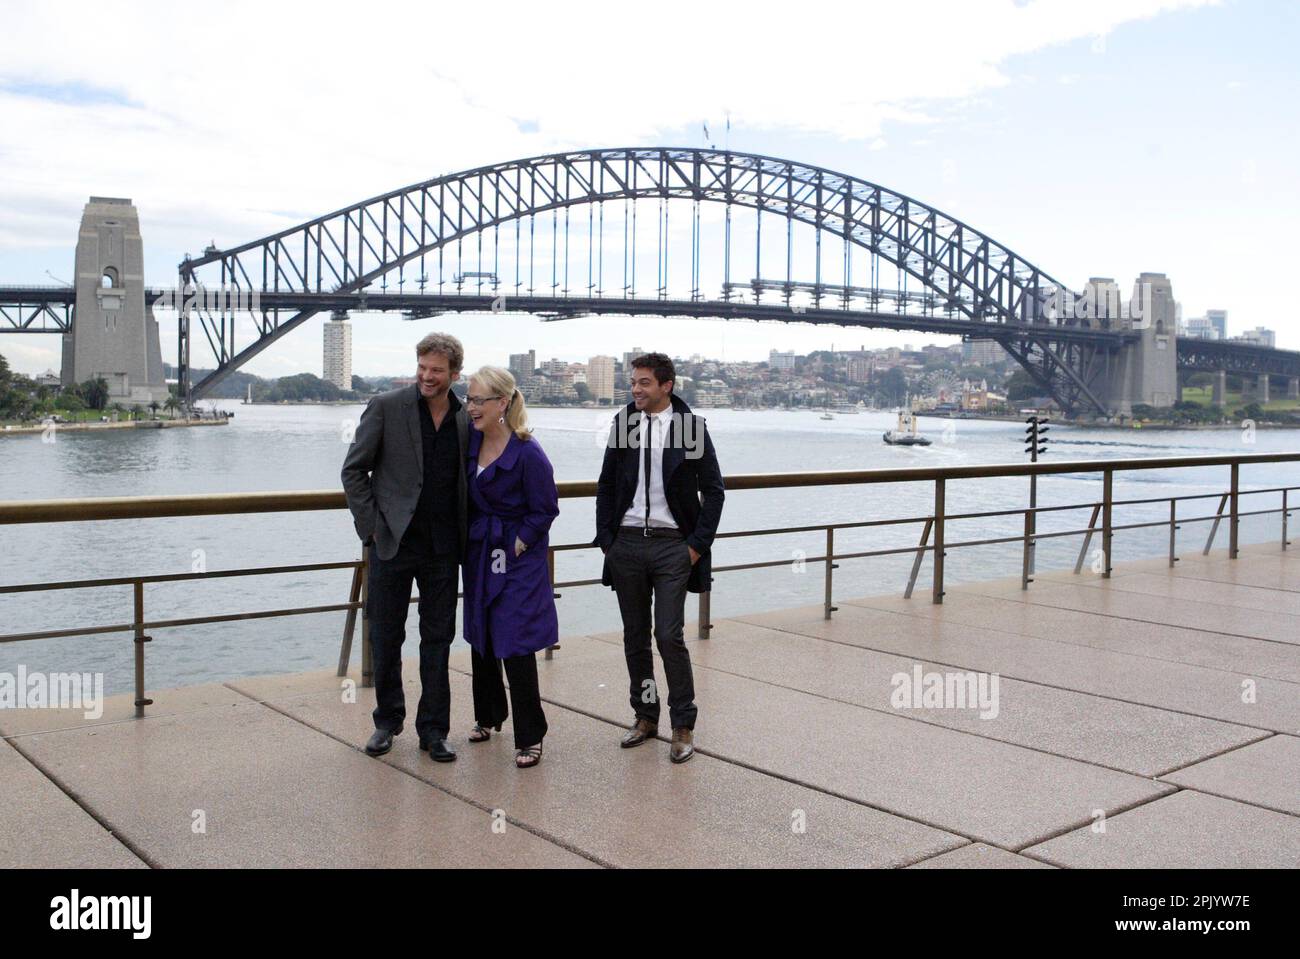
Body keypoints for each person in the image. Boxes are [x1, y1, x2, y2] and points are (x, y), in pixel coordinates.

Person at [340, 333, 467, 763]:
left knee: (438, 639)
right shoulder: (386, 407)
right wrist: (371, 530)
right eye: (422, 368)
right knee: (386, 634)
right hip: (391, 542)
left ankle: (434, 730)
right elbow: (354, 471)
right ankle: (386, 721)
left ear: (454, 374)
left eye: (436, 371)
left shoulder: (466, 416)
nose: (427, 377)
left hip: (444, 548)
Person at [594, 352, 725, 764]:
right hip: (627, 544)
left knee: (668, 635)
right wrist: (607, 540)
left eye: (644, 382)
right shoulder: (625, 424)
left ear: (666, 385)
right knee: (635, 636)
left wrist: (696, 546)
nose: (635, 389)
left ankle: (682, 724)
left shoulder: (690, 428)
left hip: (673, 546)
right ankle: (645, 716)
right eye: (633, 381)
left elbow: (714, 491)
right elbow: (607, 483)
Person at [461, 366, 559, 769]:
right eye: (468, 399)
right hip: (481, 552)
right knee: (481, 634)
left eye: (478, 400)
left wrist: (518, 543)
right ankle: (488, 716)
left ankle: (531, 735)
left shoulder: (527, 452)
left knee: (515, 642)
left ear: (502, 403)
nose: (470, 408)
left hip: (518, 561)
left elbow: (545, 509)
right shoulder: (470, 442)